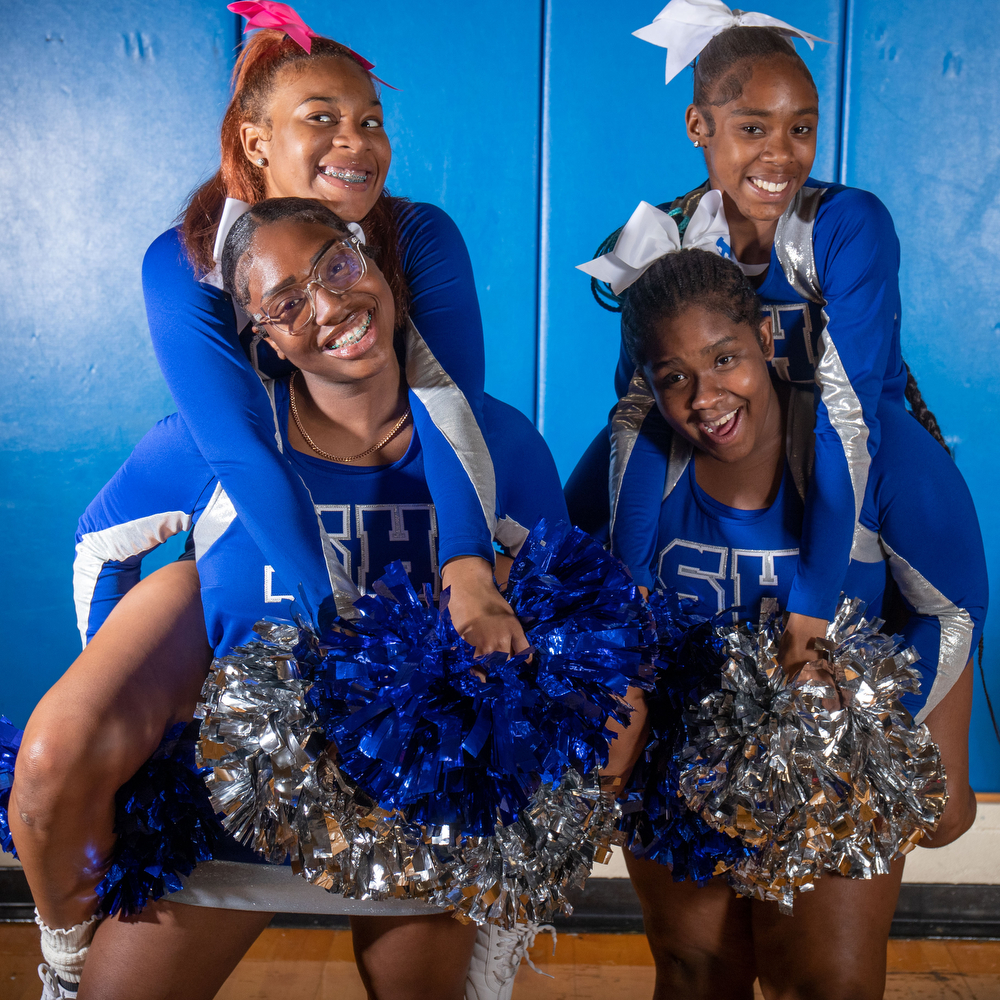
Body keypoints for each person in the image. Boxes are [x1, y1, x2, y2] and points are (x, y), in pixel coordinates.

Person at [9, 9, 542, 997]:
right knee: (66, 745)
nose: (357, 140)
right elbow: (240, 452)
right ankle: (65, 960)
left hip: (413, 672)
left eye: (370, 118)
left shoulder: (418, 238)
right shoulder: (187, 261)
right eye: (320, 117)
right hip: (262, 628)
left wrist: (467, 571)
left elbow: (451, 409)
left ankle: (502, 922)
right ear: (255, 142)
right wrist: (304, 649)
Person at [64, 199, 574, 1000]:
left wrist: (511, 744)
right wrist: (133, 697)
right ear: (262, 337)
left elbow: (573, 598)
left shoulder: (493, 441)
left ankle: (493, 950)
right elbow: (99, 547)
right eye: (287, 303)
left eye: (338, 266)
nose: (330, 306)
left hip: (420, 810)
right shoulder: (214, 444)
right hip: (232, 805)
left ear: (374, 263)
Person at [609, 242, 987, 1000]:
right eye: (675, 377)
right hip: (688, 741)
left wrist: (855, 731)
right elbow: (581, 580)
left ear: (765, 339)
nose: (706, 397)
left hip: (828, 739)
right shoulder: (637, 460)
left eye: (725, 359)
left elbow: (952, 611)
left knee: (823, 981)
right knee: (694, 968)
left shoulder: (883, 454)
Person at [567, 2, 937, 683]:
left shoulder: (846, 225)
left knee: (939, 569)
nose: (781, 153)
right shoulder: (666, 236)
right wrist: (633, 582)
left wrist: (810, 612)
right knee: (567, 526)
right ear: (698, 127)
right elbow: (641, 410)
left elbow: (847, 415)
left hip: (850, 438)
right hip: (720, 432)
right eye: (752, 128)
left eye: (801, 128)